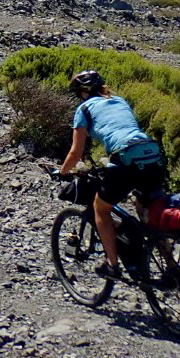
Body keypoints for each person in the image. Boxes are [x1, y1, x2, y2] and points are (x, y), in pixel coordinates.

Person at [59, 69, 167, 280]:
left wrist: (63, 172)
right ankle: (171, 267)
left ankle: (112, 265)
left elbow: (76, 152)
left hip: (125, 156)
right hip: (151, 153)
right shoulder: (120, 101)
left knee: (101, 208)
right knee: (149, 211)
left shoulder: (84, 109)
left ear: (83, 92)